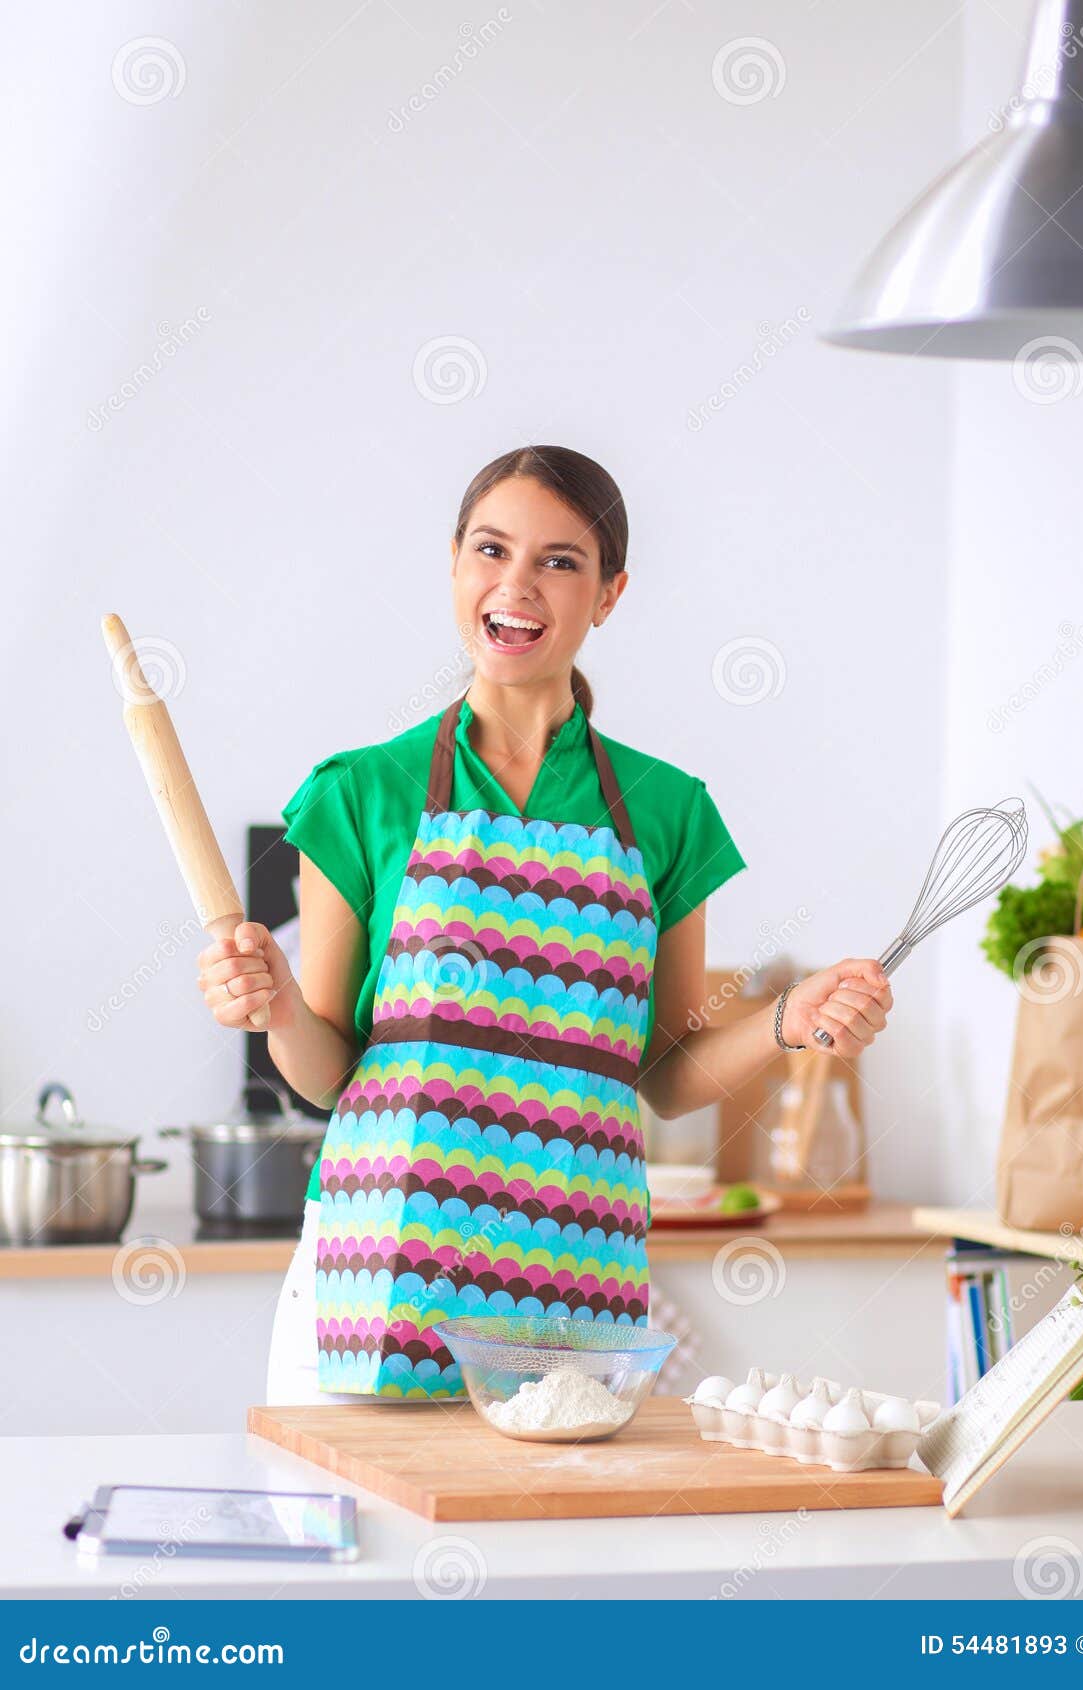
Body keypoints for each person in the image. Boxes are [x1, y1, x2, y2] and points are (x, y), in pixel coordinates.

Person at [195, 445, 893, 1404]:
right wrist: (273, 1005)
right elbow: (328, 1074)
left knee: (554, 1548)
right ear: (454, 565)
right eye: (491, 549)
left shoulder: (666, 811)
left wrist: (789, 1023)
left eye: (560, 561)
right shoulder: (363, 793)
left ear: (608, 594)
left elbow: (669, 1074)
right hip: (376, 1274)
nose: (516, 585)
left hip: (572, 1289)